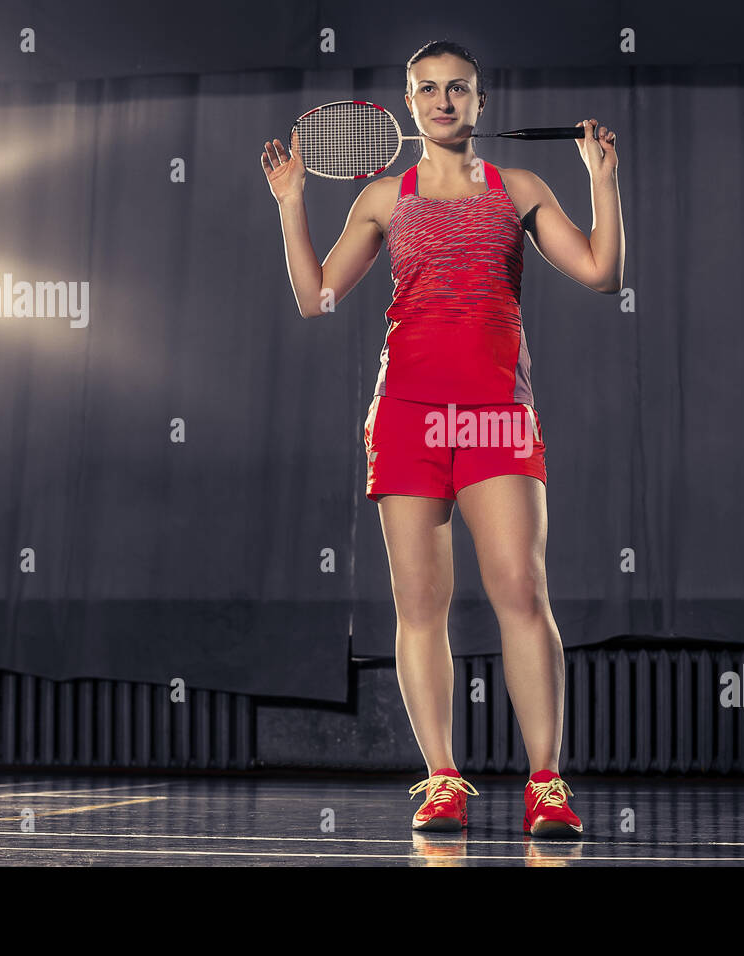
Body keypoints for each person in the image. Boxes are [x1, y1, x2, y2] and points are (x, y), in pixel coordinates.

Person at [262, 39, 623, 838]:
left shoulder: (520, 187)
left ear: (480, 102)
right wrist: (292, 203)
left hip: (497, 415)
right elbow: (315, 297)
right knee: (419, 607)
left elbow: (603, 273)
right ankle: (443, 780)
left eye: (458, 89)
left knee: (521, 595)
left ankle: (547, 787)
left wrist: (602, 182)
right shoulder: (384, 199)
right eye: (428, 90)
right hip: (407, 419)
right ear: (410, 102)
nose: (444, 102)